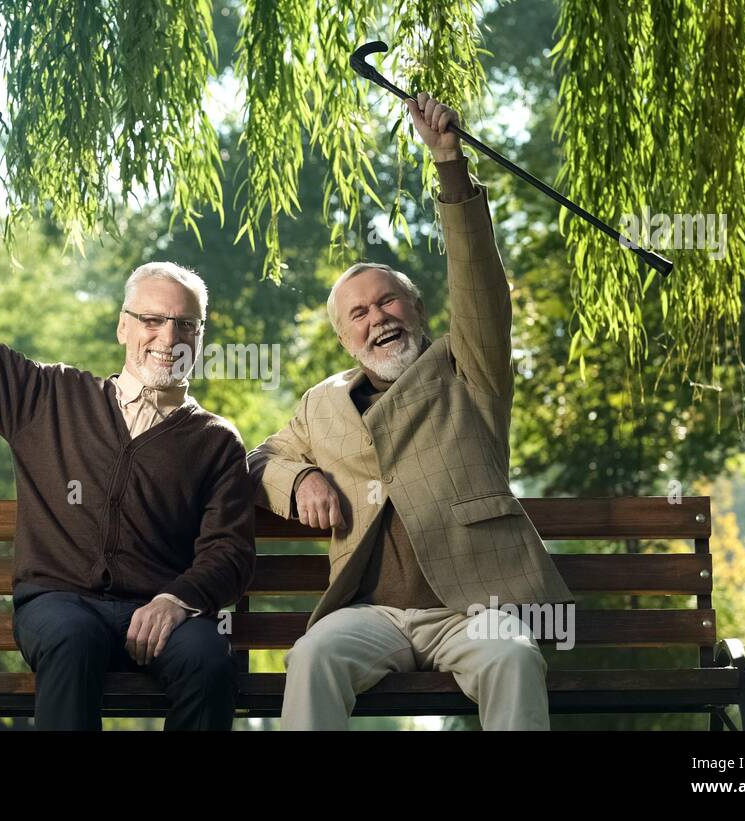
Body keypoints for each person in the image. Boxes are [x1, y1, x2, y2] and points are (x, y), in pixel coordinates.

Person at [247, 93, 574, 730]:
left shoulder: (467, 368)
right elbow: (257, 460)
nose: (378, 319)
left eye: (389, 302)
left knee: (513, 656)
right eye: (359, 315)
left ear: (418, 311)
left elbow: (478, 282)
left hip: (473, 609)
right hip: (370, 616)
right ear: (345, 338)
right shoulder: (323, 404)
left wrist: (449, 165)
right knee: (312, 657)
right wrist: (302, 479)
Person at [0, 165, 254, 730]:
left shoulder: (214, 441)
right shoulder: (48, 397)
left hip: (162, 612)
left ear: (200, 337)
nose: (168, 338)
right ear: (122, 327)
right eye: (153, 320)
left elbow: (229, 553)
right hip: (58, 606)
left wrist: (177, 599)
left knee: (210, 660)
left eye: (185, 325)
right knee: (72, 638)